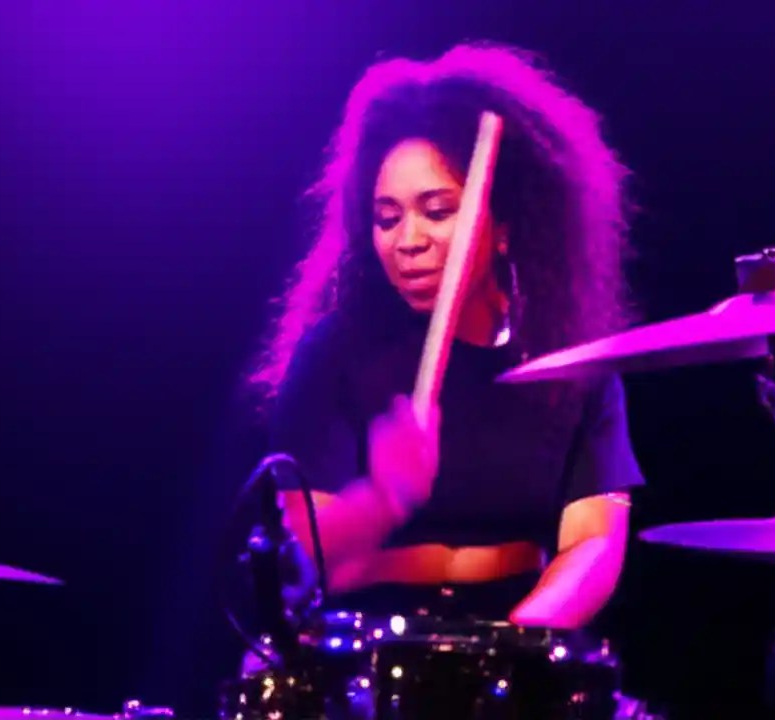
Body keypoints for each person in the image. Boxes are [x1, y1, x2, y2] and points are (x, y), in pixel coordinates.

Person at [249, 42, 644, 631]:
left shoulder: (571, 361)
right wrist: (382, 498)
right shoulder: (336, 352)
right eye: (388, 217)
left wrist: (513, 654)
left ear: (504, 228)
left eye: (437, 211)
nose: (408, 240)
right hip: (368, 638)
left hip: (519, 631)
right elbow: (300, 557)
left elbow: (592, 542)